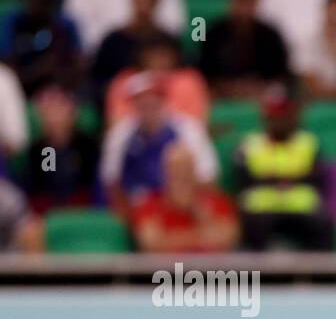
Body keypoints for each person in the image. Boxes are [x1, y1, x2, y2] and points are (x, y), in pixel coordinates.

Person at [100, 71, 218, 214]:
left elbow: (207, 177)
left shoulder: (188, 129)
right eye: (141, 100)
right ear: (134, 103)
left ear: (163, 100)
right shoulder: (120, 134)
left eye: (153, 98)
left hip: (179, 206)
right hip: (136, 208)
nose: (148, 104)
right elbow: (111, 181)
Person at [232, 87, 334, 250]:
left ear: (293, 117)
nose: (280, 122)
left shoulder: (308, 143)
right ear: (267, 118)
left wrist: (270, 178)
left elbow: (318, 178)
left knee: (324, 226)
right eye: (275, 117)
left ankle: (319, 275)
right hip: (261, 208)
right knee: (251, 228)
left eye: (284, 117)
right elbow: (244, 180)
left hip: (301, 207)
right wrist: (293, 179)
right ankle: (263, 276)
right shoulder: (249, 144)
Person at [130, 142, 239, 252]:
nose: (181, 174)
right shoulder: (149, 204)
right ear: (164, 173)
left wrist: (197, 210)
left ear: (195, 171)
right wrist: (202, 236)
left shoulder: (217, 201)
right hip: (167, 268)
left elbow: (228, 239)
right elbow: (151, 244)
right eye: (175, 169)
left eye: (186, 168)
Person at [198, 0, 291, 101]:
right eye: (240, 1)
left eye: (248, 2)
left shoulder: (270, 34)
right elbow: (204, 71)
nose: (244, 8)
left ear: (256, 2)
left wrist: (255, 87)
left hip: (261, 92)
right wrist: (229, 87)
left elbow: (279, 73)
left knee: (278, 93)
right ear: (231, 1)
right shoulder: (214, 33)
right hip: (222, 92)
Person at [22, 85, 101, 213]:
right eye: (49, 111)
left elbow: (96, 188)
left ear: (73, 112)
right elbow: (39, 190)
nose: (54, 117)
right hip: (50, 215)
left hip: (86, 213)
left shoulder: (87, 147)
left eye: (59, 109)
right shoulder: (40, 150)